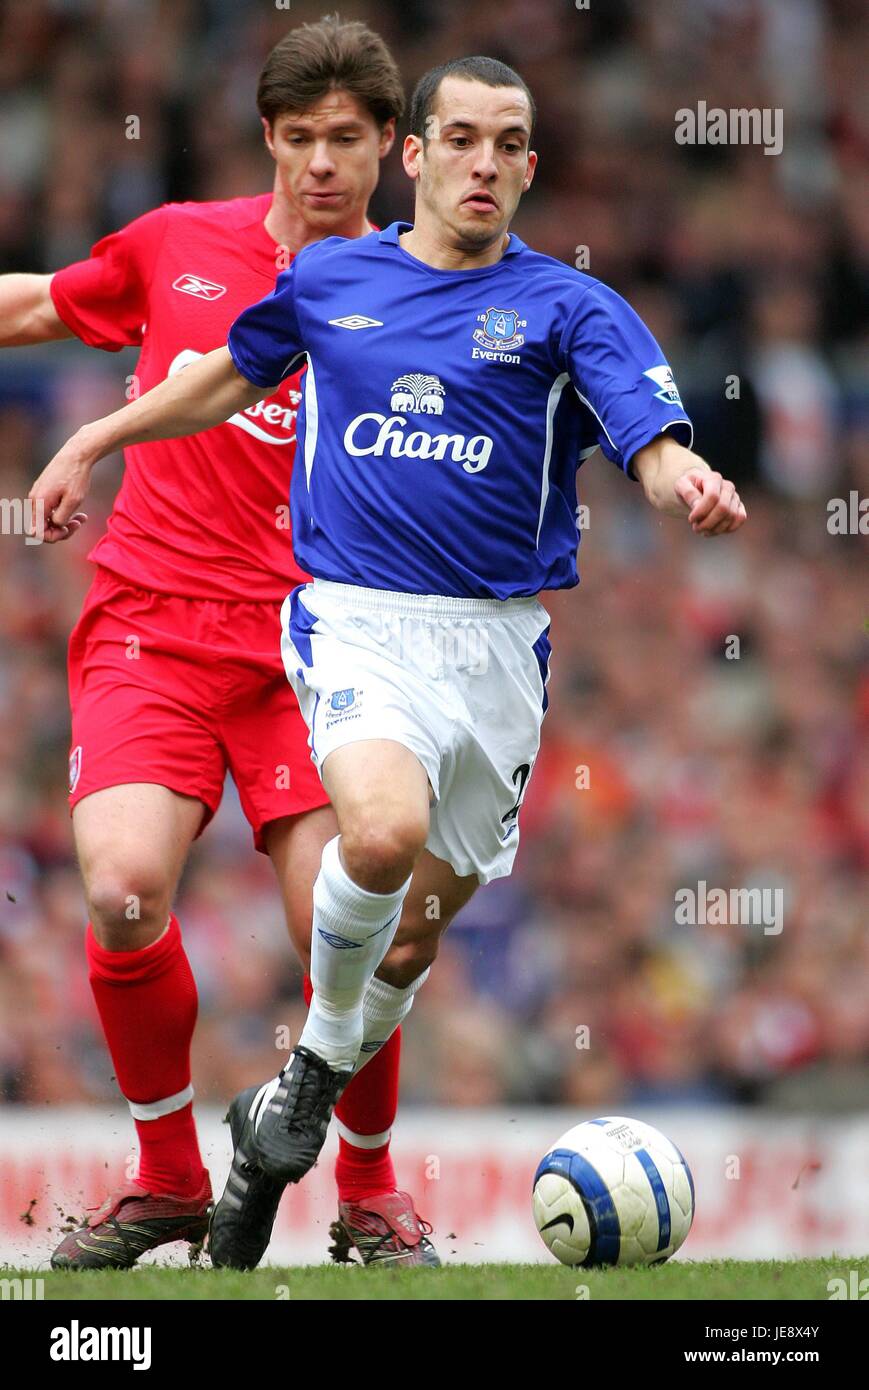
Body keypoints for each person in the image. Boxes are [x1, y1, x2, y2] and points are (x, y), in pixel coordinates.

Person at [30, 54, 746, 1268]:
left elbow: (643, 422)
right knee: (200, 874)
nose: (480, 161)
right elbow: (196, 360)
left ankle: (308, 1126)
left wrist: (681, 475)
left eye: (505, 142)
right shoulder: (303, 278)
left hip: (491, 649)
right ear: (420, 152)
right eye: (457, 136)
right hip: (324, 623)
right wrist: (93, 436)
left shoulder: (562, 305)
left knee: (398, 940)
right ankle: (184, 1177)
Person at [14, 17, 449, 1272]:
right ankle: (165, 1180)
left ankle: (367, 1197)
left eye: (347, 140)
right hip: (152, 623)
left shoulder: (424, 296)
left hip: (322, 648)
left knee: (348, 919)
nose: (321, 162)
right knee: (121, 887)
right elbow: (47, 303)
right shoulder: (178, 245)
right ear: (268, 135)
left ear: (391, 150)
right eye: (300, 137)